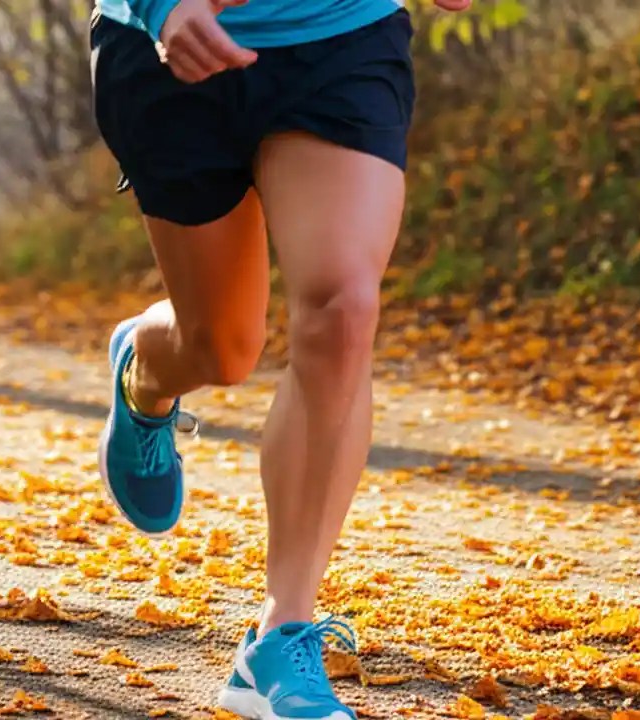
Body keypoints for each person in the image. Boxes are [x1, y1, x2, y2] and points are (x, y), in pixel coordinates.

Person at [92, 0, 470, 716]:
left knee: (343, 311)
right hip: (167, 49)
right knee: (221, 346)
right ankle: (146, 370)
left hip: (341, 37)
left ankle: (279, 635)